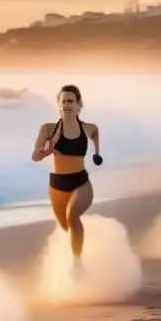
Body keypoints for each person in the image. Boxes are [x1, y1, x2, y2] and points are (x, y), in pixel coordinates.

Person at [31, 85, 102, 261]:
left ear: (79, 105)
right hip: (57, 185)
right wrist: (50, 147)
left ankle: (77, 264)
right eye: (63, 101)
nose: (66, 104)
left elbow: (95, 134)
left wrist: (97, 152)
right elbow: (35, 157)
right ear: (58, 104)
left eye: (70, 101)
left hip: (81, 182)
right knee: (65, 227)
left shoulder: (88, 128)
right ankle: (91, 247)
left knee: (72, 216)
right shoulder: (48, 129)